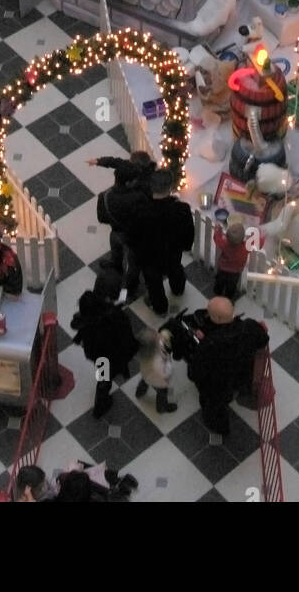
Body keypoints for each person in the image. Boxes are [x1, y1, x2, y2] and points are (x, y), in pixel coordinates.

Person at [187, 297, 268, 437]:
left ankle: (219, 428)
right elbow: (263, 340)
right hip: (242, 376)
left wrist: (202, 341)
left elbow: (195, 373)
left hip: (218, 386)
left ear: (216, 319)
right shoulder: (249, 327)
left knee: (214, 408)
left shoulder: (208, 346)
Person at [70, 270, 139, 418]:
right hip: (109, 354)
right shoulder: (113, 318)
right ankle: (100, 405)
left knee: (103, 375)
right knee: (105, 378)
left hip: (96, 352)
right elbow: (125, 337)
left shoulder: (89, 307)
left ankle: (101, 401)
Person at [127, 169, 195, 315]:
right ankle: (178, 290)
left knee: (154, 284)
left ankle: (160, 308)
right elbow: (189, 233)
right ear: (170, 187)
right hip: (173, 253)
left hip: (149, 258)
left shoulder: (140, 212)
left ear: (151, 187)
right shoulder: (182, 210)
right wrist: (186, 246)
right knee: (175, 269)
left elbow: (132, 237)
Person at [94, 158, 148, 295]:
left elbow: (101, 218)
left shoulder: (104, 196)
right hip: (134, 236)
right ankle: (131, 286)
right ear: (129, 182)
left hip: (116, 232)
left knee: (116, 251)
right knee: (133, 263)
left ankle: (116, 266)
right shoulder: (139, 198)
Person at [135, 327, 177, 414]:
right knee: (162, 393)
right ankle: (161, 407)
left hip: (146, 373)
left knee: (145, 381)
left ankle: (139, 392)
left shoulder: (144, 352)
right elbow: (165, 372)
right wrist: (168, 364)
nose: (158, 336)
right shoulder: (157, 361)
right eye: (156, 336)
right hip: (158, 381)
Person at [213, 217, 249, 301]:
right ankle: (228, 297)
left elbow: (217, 239)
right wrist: (261, 237)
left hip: (222, 268)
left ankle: (217, 292)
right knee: (231, 286)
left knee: (219, 281)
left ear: (227, 237)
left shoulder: (225, 244)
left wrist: (218, 230)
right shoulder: (246, 248)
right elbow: (257, 243)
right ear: (243, 237)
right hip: (236, 272)